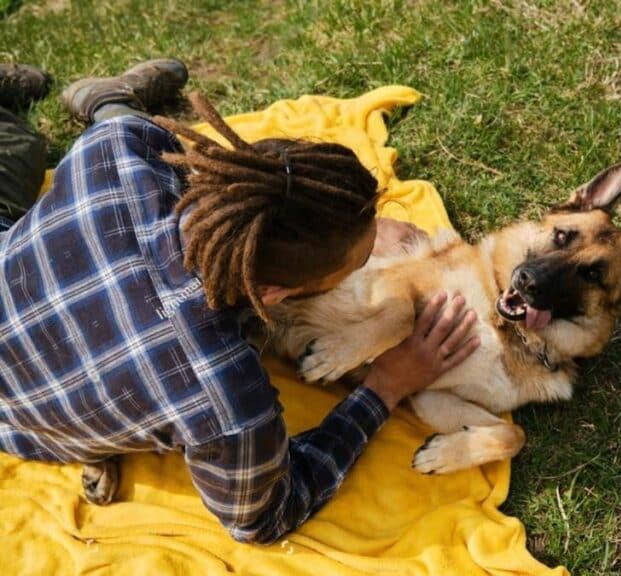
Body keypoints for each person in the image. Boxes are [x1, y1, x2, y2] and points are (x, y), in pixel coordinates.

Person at [0, 59, 480, 544]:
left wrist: (351, 232)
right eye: (359, 262)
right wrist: (385, 387)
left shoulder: (119, 149)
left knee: (21, 147)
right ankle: (103, 95)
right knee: (22, 148)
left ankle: (106, 101)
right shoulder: (228, 400)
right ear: (273, 294)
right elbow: (263, 518)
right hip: (38, 429)